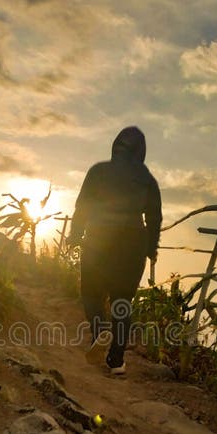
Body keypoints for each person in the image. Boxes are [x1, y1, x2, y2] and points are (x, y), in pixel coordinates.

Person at [68, 126, 162, 374]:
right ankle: (117, 361)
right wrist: (151, 248)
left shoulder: (98, 171)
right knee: (123, 302)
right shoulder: (148, 181)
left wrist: (75, 236)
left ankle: (101, 333)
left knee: (90, 293)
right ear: (141, 151)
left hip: (99, 239)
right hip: (133, 245)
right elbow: (154, 217)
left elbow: (83, 206)